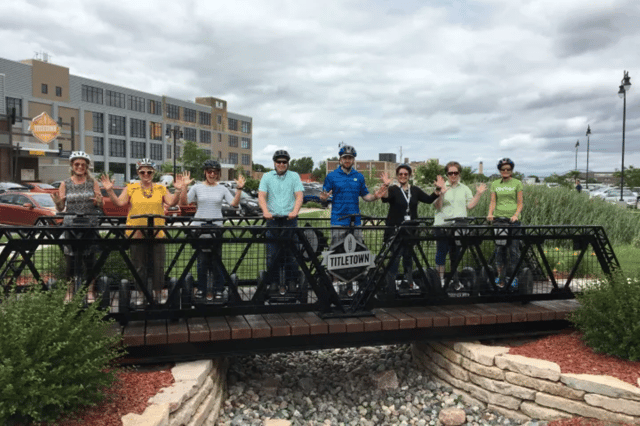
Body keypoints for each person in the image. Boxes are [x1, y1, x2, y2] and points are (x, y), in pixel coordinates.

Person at [100, 159, 189, 302]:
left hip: (157, 232)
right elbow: (119, 203)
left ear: (153, 173)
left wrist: (178, 190)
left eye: (149, 172)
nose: (146, 174)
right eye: (142, 172)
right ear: (138, 173)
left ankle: (158, 293)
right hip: (136, 232)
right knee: (139, 266)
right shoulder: (131, 187)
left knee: (158, 265)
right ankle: (141, 294)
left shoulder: (160, 188)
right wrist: (110, 190)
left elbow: (172, 202)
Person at [180, 159, 244, 300]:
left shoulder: (222, 188)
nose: (212, 174)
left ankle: (218, 288)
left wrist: (239, 189)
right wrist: (184, 187)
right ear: (205, 172)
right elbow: (184, 203)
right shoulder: (197, 187)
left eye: (215, 172)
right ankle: (201, 288)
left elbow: (234, 203)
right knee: (202, 260)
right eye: (209, 171)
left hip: (216, 228)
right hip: (199, 228)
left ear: (218, 173)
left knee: (216, 260)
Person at [379, 164, 444, 292]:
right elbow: (385, 198)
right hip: (395, 230)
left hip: (410, 230)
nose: (403, 176)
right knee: (395, 256)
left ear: (409, 176)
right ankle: (392, 283)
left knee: (408, 256)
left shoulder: (415, 190)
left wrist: (438, 189)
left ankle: (408, 281)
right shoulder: (393, 189)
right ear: (397, 176)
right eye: (400, 174)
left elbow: (428, 199)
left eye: (405, 174)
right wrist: (385, 185)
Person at [51, 151, 103, 301]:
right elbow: (61, 208)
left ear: (87, 167)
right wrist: (58, 203)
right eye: (77, 164)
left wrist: (99, 202)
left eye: (83, 165)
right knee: (70, 262)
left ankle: (90, 291)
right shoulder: (65, 183)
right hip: (71, 226)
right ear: (72, 166)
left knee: (90, 260)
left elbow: (99, 204)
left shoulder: (92, 182)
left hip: (89, 225)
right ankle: (69, 292)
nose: (80, 167)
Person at [320, 145, 388, 245]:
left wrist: (375, 196)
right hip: (338, 221)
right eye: (345, 158)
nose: (347, 160)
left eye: (350, 158)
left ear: (353, 160)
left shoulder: (359, 176)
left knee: (358, 250)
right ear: (340, 159)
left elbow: (365, 196)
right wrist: (323, 198)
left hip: (355, 222)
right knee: (337, 251)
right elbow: (323, 196)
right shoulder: (331, 176)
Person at [258, 150, 304, 294]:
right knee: (272, 253)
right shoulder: (266, 176)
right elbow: (261, 195)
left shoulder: (294, 176)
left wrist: (295, 211)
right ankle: (273, 281)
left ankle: (292, 281)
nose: (281, 164)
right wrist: (265, 211)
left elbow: (299, 195)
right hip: (273, 220)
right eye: (279, 162)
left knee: (292, 253)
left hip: (290, 220)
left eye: (284, 162)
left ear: (287, 163)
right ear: (274, 163)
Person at [434, 161, 487, 286]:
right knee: (441, 253)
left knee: (456, 254)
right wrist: (441, 194)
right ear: (447, 174)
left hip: (458, 227)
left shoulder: (465, 188)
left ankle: (455, 280)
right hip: (442, 225)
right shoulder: (441, 186)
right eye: (450, 173)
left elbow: (470, 206)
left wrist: (478, 194)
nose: (453, 175)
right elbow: (437, 206)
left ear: (459, 174)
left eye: (455, 173)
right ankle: (440, 281)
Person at [486, 158, 524, 288]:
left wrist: (515, 215)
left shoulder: (517, 183)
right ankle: (500, 277)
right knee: (499, 249)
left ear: (512, 170)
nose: (505, 171)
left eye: (508, 169)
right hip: (499, 220)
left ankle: (514, 277)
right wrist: (490, 213)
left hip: (512, 221)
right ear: (500, 171)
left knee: (513, 250)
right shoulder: (495, 184)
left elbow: (520, 203)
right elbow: (493, 201)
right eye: (503, 169)